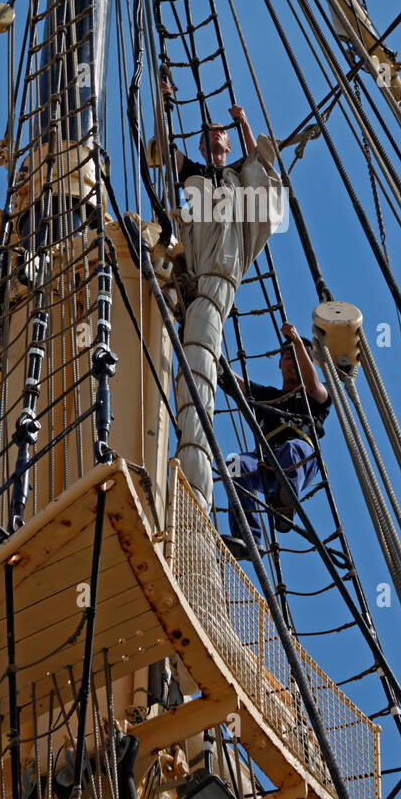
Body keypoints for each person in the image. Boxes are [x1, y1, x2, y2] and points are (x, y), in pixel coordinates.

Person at [153, 81, 283, 516]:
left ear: (227, 141)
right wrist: (164, 101)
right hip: (200, 265)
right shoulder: (192, 170)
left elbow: (261, 168)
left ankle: (196, 500)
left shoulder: (241, 175)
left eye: (220, 134)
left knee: (249, 183)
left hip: (223, 267)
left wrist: (245, 123)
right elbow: (163, 152)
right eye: (209, 135)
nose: (214, 138)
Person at [219, 324, 330, 561]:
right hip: (268, 462)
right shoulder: (267, 397)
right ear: (279, 364)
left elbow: (313, 386)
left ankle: (285, 500)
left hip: (301, 460)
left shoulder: (317, 397)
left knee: (292, 448)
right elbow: (235, 384)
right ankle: (247, 538)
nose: (293, 362)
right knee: (235, 464)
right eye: (288, 357)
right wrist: (212, 355)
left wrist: (299, 344)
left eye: (300, 358)